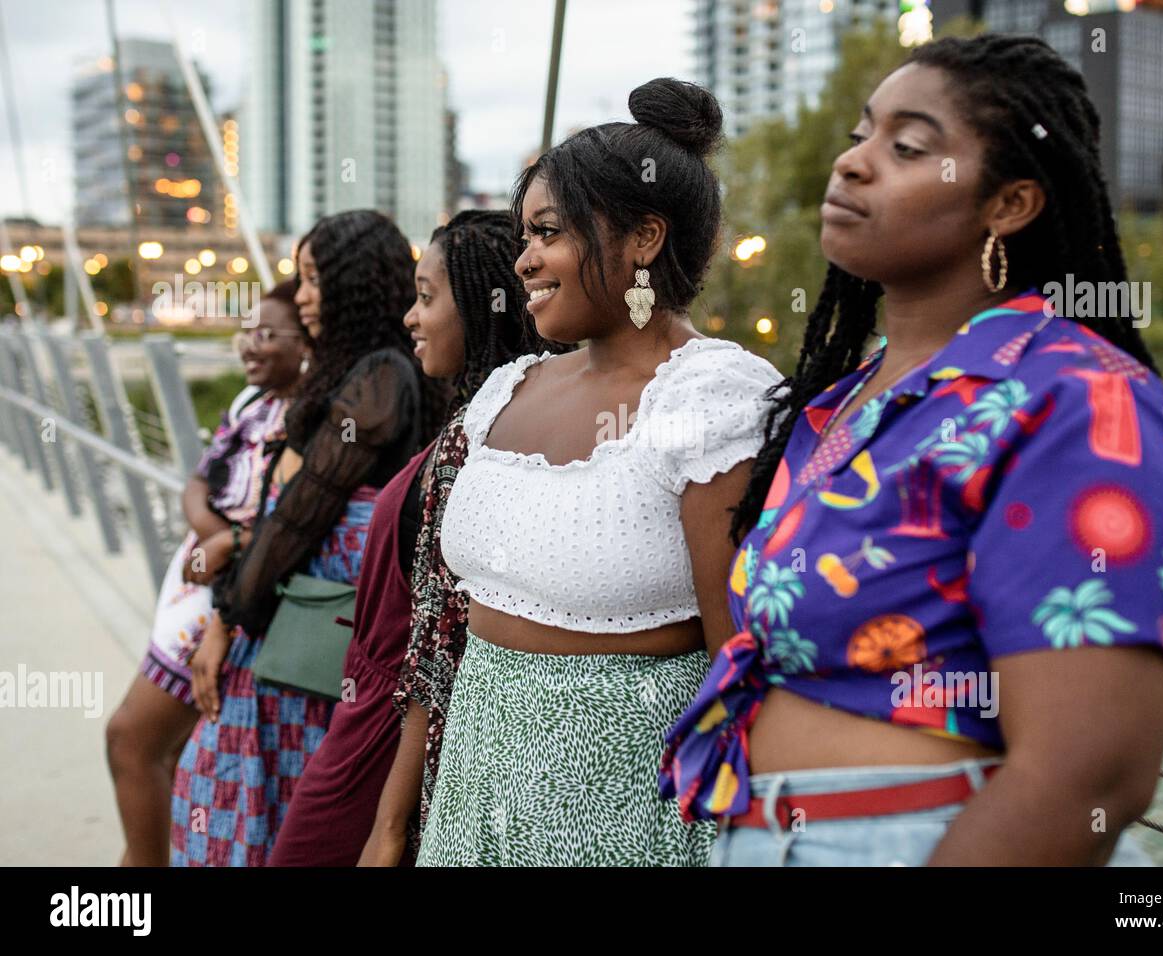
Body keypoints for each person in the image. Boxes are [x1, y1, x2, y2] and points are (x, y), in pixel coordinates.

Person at [660, 34, 1163, 867]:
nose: (853, 164)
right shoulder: (839, 409)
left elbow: (1089, 779)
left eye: (908, 146)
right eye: (860, 135)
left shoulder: (1078, 403)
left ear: (1010, 204)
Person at [413, 78, 782, 867]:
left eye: (547, 232)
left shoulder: (713, 397)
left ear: (644, 237)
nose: (524, 260)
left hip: (625, 810)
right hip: (474, 784)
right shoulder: (506, 391)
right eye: (523, 235)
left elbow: (738, 657)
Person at [270, 210, 563, 866]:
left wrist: (391, 822)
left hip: (392, 725)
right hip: (377, 704)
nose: (410, 318)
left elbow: (443, 643)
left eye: (427, 299)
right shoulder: (470, 423)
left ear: (484, 309)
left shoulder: (485, 444)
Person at [170, 210, 449, 866]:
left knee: (239, 791)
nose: (299, 296)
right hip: (310, 630)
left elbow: (303, 511)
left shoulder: (380, 376)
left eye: (314, 279)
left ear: (353, 284)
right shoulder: (378, 372)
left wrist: (224, 620)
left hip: (304, 633)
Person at [104, 280, 306, 867]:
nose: (249, 345)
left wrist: (229, 543)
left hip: (230, 597)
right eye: (246, 330)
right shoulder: (249, 404)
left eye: (268, 334)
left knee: (130, 738)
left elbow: (291, 525)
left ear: (309, 343)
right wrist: (216, 534)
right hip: (194, 577)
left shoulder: (311, 420)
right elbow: (198, 480)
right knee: (170, 747)